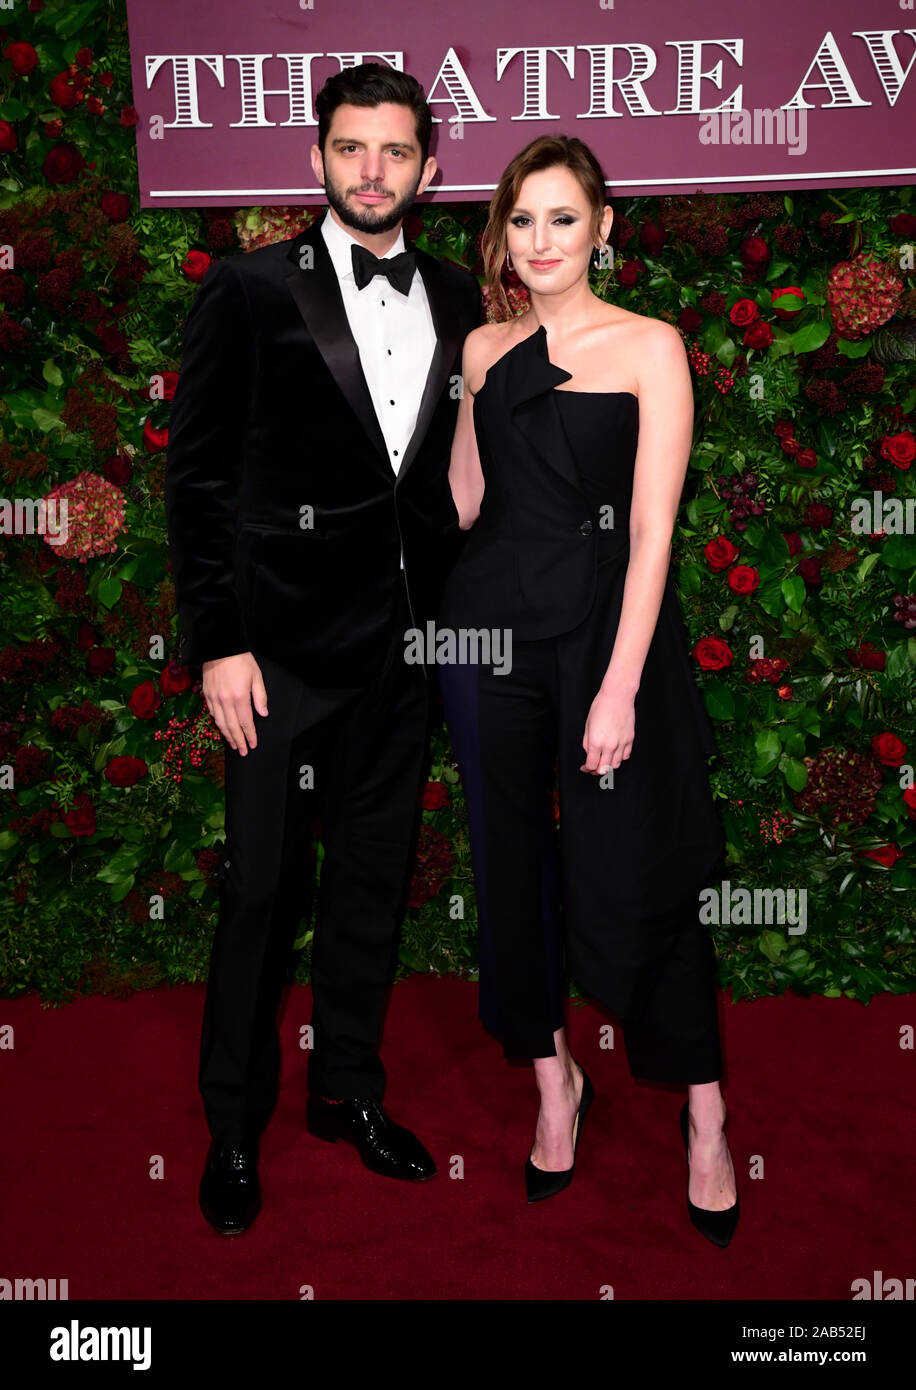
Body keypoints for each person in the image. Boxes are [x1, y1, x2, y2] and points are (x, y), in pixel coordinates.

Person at [165, 63, 481, 1235]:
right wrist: (220, 645)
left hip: (401, 662)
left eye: (394, 151)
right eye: (351, 148)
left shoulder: (456, 296)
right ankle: (232, 1127)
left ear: (428, 169)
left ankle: (347, 1091)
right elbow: (195, 479)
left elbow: (452, 482)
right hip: (278, 661)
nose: (371, 170)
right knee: (258, 894)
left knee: (366, 892)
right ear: (316, 160)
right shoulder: (250, 290)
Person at [436, 135, 739, 1246]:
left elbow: (654, 530)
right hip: (486, 630)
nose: (541, 242)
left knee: (637, 869)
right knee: (506, 864)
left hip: (608, 636)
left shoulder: (651, 347)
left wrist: (614, 689)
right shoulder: (481, 343)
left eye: (563, 219)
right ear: (501, 234)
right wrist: (469, 386)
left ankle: (705, 1113)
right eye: (522, 221)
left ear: (603, 228)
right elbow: (467, 501)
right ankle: (551, 1083)